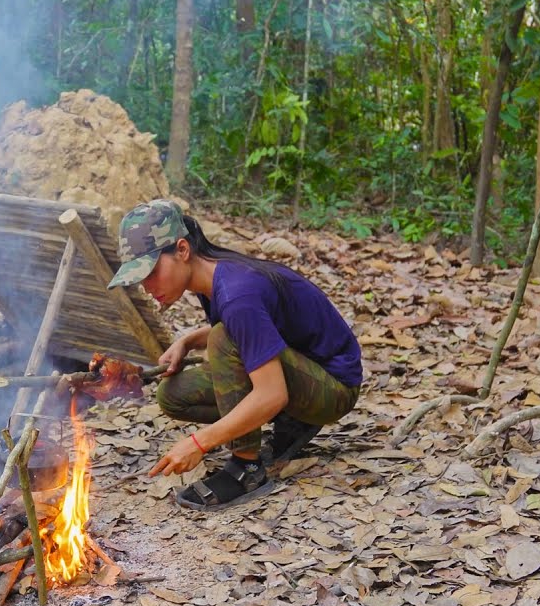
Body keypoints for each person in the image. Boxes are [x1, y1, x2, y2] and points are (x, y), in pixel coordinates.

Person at [107, 200, 362, 511]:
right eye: (140, 279)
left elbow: (270, 390)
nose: (146, 287)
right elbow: (248, 332)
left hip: (333, 388)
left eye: (151, 272)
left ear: (183, 250)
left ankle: (246, 469)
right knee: (173, 394)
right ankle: (292, 422)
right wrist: (188, 341)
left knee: (221, 338)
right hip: (299, 371)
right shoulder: (213, 280)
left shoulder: (238, 294)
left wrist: (199, 443)